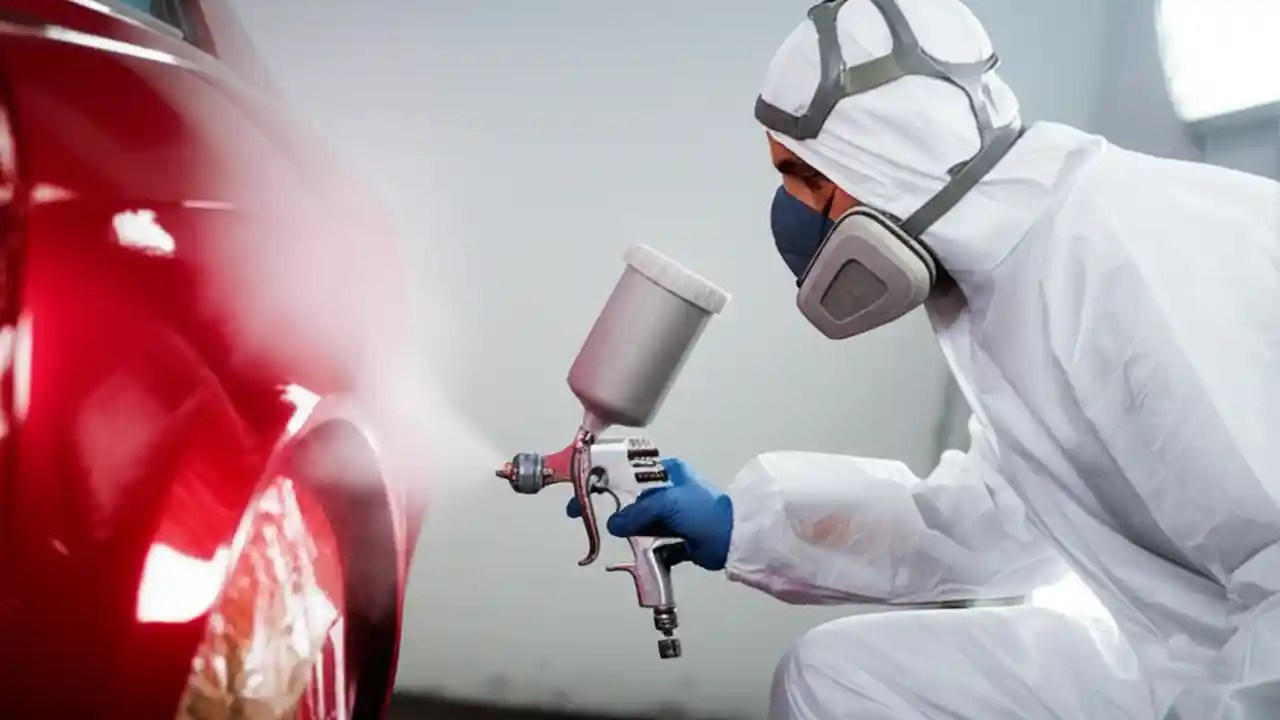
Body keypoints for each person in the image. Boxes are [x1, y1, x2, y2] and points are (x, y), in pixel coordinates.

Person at [566, 0, 1280, 717]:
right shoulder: (1012, 270)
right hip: (1193, 659)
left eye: (801, 174)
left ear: (885, 155)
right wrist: (744, 524)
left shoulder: (1122, 257)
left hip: (1251, 674)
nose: (791, 210)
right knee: (838, 680)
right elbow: (1004, 518)